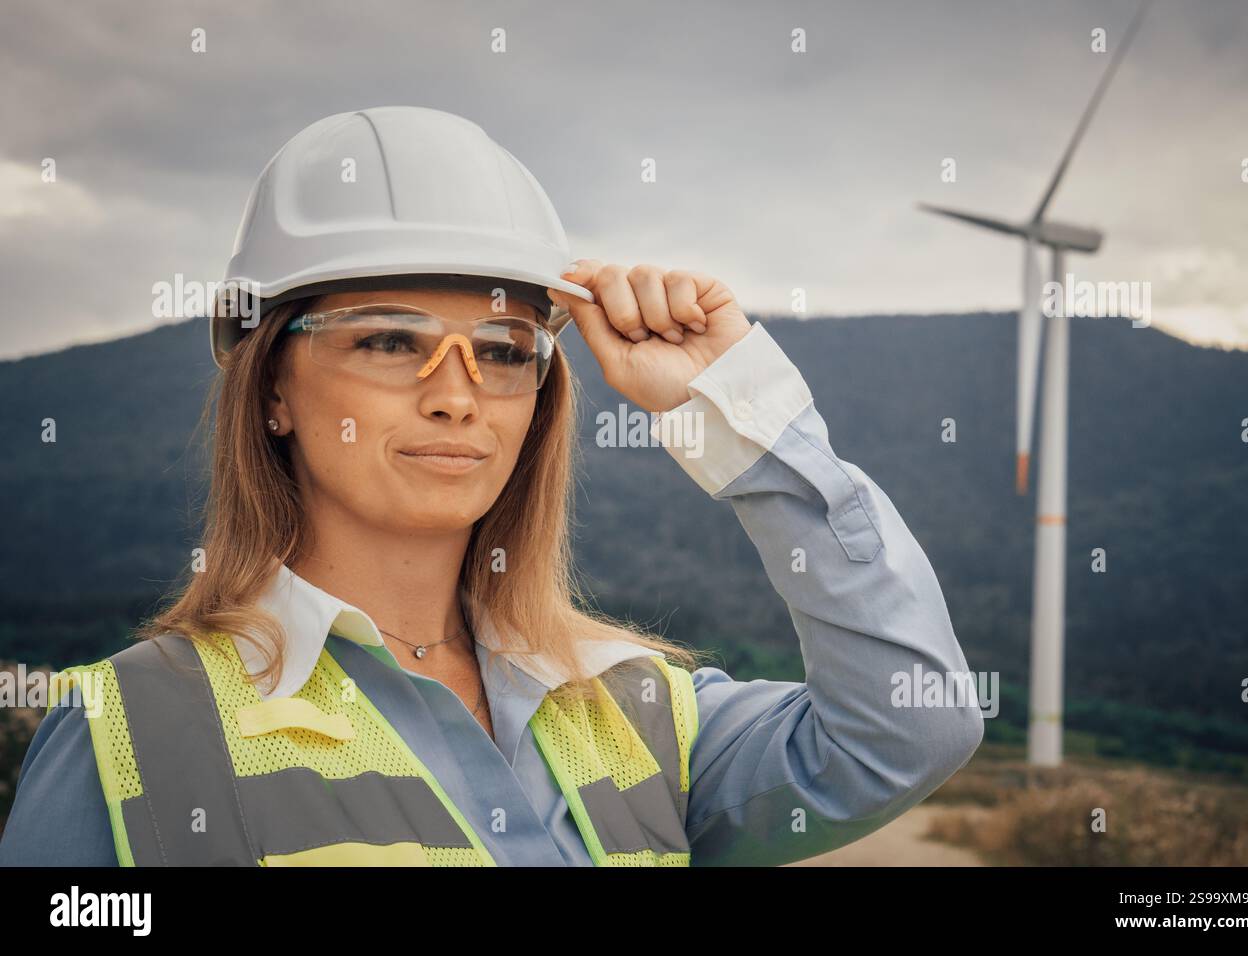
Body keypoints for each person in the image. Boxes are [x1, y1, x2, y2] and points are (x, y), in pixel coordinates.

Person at [0, 107, 982, 867]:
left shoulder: (635, 710)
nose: (458, 397)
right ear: (273, 391)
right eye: (391, 340)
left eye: (506, 351)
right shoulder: (130, 737)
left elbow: (909, 727)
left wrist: (740, 413)